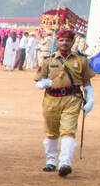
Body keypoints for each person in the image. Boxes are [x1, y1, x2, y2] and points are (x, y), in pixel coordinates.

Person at [34, 25, 94, 176]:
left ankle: (65, 162)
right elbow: (38, 80)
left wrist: (90, 98)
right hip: (51, 99)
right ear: (57, 42)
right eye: (61, 40)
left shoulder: (81, 60)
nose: (64, 43)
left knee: (68, 130)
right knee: (51, 131)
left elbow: (87, 81)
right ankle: (51, 161)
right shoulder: (48, 60)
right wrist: (42, 84)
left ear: (72, 42)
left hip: (72, 98)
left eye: (67, 40)